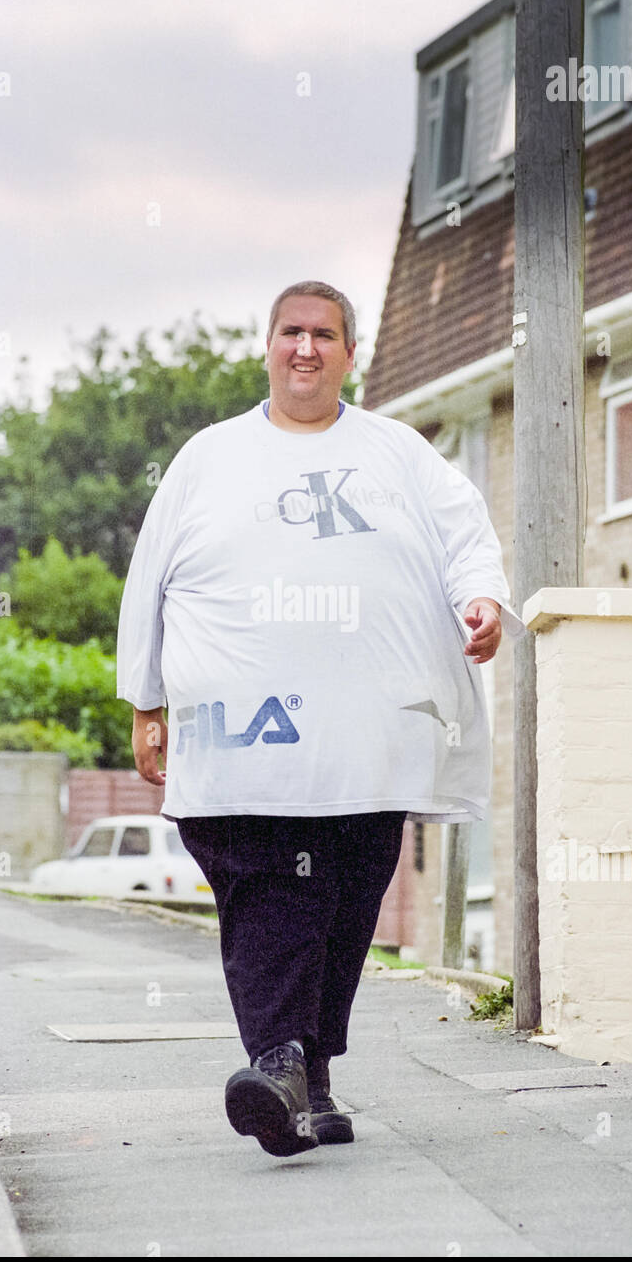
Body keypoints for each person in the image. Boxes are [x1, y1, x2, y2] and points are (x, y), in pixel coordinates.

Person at [117, 280, 527, 1158]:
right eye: (290, 333)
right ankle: (276, 1064)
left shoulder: (396, 453)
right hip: (241, 746)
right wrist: (145, 702)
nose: (305, 349)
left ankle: (310, 1077)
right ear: (266, 345)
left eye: (324, 336)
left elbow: (464, 534)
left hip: (366, 745)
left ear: (350, 355)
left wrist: (483, 599)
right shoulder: (208, 458)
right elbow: (146, 582)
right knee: (271, 889)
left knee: (344, 904)